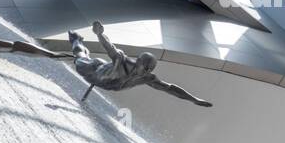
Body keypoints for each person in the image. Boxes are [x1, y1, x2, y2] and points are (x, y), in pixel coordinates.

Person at [68, 20, 211, 106]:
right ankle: (76, 39)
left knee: (84, 59)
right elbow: (109, 46)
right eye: (143, 67)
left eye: (148, 69)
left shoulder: (147, 77)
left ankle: (80, 47)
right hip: (96, 73)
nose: (144, 71)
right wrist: (99, 33)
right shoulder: (121, 59)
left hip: (108, 83)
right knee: (79, 58)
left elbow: (169, 88)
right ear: (138, 62)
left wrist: (194, 99)